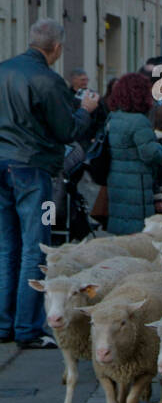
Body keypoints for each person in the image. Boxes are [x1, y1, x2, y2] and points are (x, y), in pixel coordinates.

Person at [0, 19, 101, 348]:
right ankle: (27, 328)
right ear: (56, 48)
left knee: (6, 247)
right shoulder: (49, 79)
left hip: (2, 166)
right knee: (37, 247)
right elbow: (67, 132)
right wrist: (85, 110)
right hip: (35, 171)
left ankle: (5, 324)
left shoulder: (3, 70)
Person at [104, 73, 162, 235]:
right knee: (137, 233)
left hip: (116, 180)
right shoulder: (139, 121)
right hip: (137, 184)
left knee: (121, 226)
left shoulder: (113, 117)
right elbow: (150, 154)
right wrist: (161, 148)